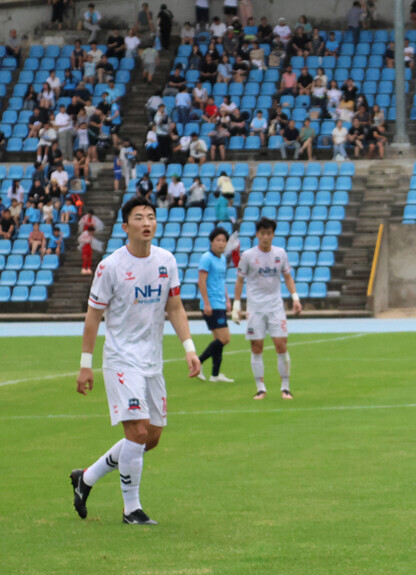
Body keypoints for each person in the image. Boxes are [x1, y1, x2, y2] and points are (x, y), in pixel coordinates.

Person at [69, 196, 201, 526]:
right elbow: (93, 316)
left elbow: (174, 308)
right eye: (139, 217)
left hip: (152, 361)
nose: (147, 222)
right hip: (121, 359)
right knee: (138, 431)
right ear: (126, 227)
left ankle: (85, 478)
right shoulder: (111, 266)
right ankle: (132, 510)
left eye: (151, 216)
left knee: (150, 438)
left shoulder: (166, 261)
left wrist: (189, 348)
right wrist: (86, 364)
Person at [231, 218, 303, 400]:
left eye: (269, 233)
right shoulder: (247, 256)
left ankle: (285, 388)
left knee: (281, 345)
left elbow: (287, 277)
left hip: (275, 307)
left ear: (273, 235)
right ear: (257, 234)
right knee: (257, 347)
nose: (265, 237)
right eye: (262, 233)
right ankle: (260, 388)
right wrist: (236, 305)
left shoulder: (280, 253)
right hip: (255, 308)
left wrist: (295, 298)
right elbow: (239, 280)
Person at [195, 228, 235, 382]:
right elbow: (201, 282)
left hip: (220, 303)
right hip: (211, 303)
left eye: (224, 241)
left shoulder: (222, 259)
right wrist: (206, 303)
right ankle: (198, 363)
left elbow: (222, 281)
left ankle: (215, 375)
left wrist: (227, 299)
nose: (221, 243)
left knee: (218, 341)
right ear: (211, 242)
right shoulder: (206, 258)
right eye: (218, 240)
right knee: (225, 338)